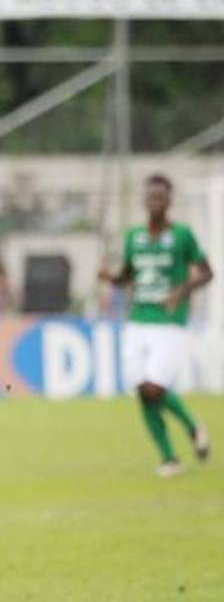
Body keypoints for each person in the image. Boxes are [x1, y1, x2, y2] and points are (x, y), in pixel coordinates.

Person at [99, 174, 212, 476]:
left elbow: (207, 272)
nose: (154, 202)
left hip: (169, 322)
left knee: (155, 387)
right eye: (150, 197)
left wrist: (180, 291)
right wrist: (110, 277)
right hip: (138, 319)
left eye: (160, 197)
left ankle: (191, 427)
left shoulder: (182, 236)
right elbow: (127, 276)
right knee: (142, 389)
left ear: (169, 201)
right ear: (144, 200)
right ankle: (170, 458)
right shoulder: (134, 236)